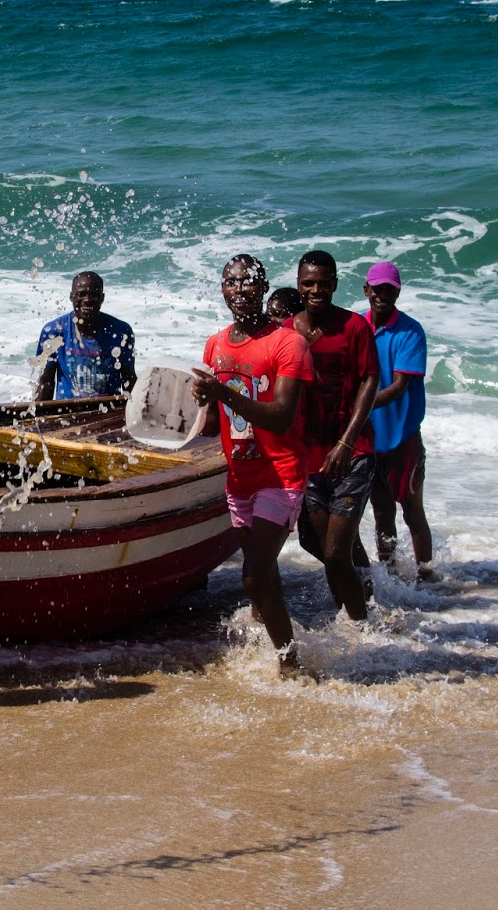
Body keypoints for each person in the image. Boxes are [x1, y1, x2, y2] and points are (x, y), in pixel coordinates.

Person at [192, 255, 314, 676]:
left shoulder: (288, 344)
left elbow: (281, 415)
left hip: (281, 475)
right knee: (266, 576)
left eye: (249, 282)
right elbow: (212, 426)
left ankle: (291, 664)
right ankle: (285, 642)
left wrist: (223, 393)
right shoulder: (216, 344)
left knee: (253, 575)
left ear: (264, 289)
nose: (240, 289)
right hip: (239, 478)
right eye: (231, 282)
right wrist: (202, 401)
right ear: (222, 290)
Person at [287, 250, 379, 621]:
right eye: (309, 283)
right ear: (298, 285)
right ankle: (361, 599)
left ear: (335, 285)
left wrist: (346, 442)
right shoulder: (286, 332)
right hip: (308, 456)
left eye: (324, 283)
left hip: (352, 453)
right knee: (324, 547)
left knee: (336, 553)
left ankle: (364, 629)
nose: (316, 290)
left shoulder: (355, 327)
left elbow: (371, 380)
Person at [363, 261, 437, 582]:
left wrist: (354, 409)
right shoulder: (357, 328)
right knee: (382, 514)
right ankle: (391, 577)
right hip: (369, 437)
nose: (383, 295)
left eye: (389, 289)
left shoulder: (410, 331)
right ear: (366, 290)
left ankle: (426, 576)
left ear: (398, 292)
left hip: (404, 437)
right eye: (377, 289)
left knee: (412, 512)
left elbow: (399, 386)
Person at [33, 271, 137, 401]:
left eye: (94, 295)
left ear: (102, 298)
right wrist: (37, 419)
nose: (87, 300)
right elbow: (46, 381)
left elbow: (129, 380)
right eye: (81, 294)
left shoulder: (121, 332)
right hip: (67, 412)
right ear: (72, 297)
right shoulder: (54, 331)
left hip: (109, 412)